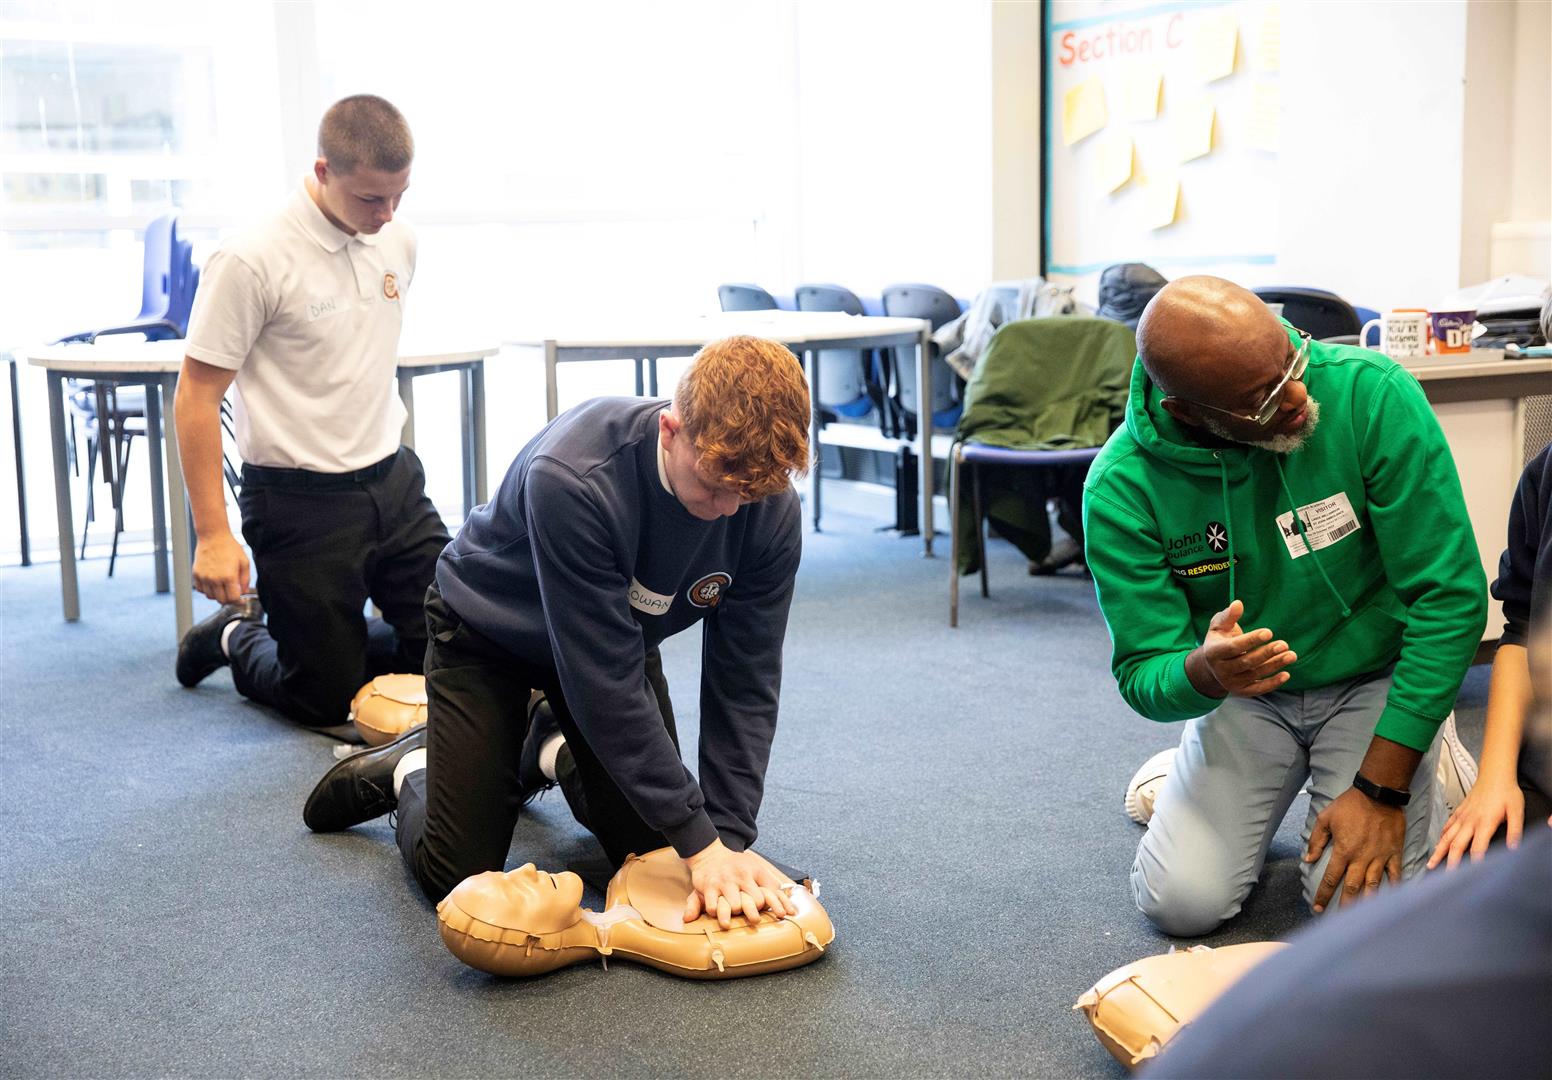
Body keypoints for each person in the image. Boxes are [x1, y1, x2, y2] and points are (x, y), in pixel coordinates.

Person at [303, 336, 812, 929]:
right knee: (462, 877)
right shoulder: (576, 477)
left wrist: (724, 839)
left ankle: (549, 741)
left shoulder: (767, 508)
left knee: (653, 850)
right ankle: (412, 766)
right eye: (715, 485)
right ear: (671, 431)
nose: (730, 510)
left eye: (749, 493)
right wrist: (699, 844)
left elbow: (745, 683)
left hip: (614, 639)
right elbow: (608, 688)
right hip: (488, 633)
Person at [1082, 275, 1487, 937]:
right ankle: (1196, 770)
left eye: (1291, 359)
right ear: (1190, 412)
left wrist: (1383, 787)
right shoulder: (1122, 487)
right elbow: (1142, 674)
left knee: (1360, 917)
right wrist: (1203, 674)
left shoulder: (1368, 393)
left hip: (1375, 676)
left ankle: (1424, 749)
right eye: (1262, 398)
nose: (1299, 396)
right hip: (1249, 698)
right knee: (1180, 905)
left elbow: (1450, 601)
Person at [172, 95, 450, 733]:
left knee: (459, 651)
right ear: (323, 172)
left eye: (399, 196)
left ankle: (334, 629)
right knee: (324, 697)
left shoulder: (398, 241)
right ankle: (237, 637)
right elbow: (195, 396)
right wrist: (214, 536)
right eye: (370, 200)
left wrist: (384, 214)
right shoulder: (251, 259)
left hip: (394, 482)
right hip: (299, 502)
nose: (387, 215)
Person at [1428, 440, 1552, 867]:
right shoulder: (1545, 473)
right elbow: (1520, 630)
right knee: (1454, 883)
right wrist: (1494, 777)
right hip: (1543, 765)